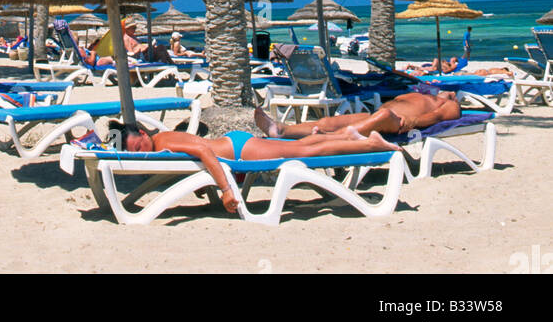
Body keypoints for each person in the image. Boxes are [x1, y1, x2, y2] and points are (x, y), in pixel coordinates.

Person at [112, 122, 397, 215]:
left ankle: (371, 145)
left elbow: (201, 150)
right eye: (133, 152)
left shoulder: (163, 139)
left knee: (307, 153)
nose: (141, 152)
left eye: (137, 146)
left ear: (141, 131)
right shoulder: (159, 143)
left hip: (240, 151)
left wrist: (225, 188)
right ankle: (346, 135)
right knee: (300, 147)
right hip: (236, 146)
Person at [253, 86, 462, 141]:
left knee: (382, 116)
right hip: (376, 116)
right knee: (327, 120)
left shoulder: (449, 104)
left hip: (397, 123)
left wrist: (414, 120)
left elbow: (437, 118)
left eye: (452, 92)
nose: (449, 90)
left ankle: (333, 138)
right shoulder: (424, 94)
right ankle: (282, 130)